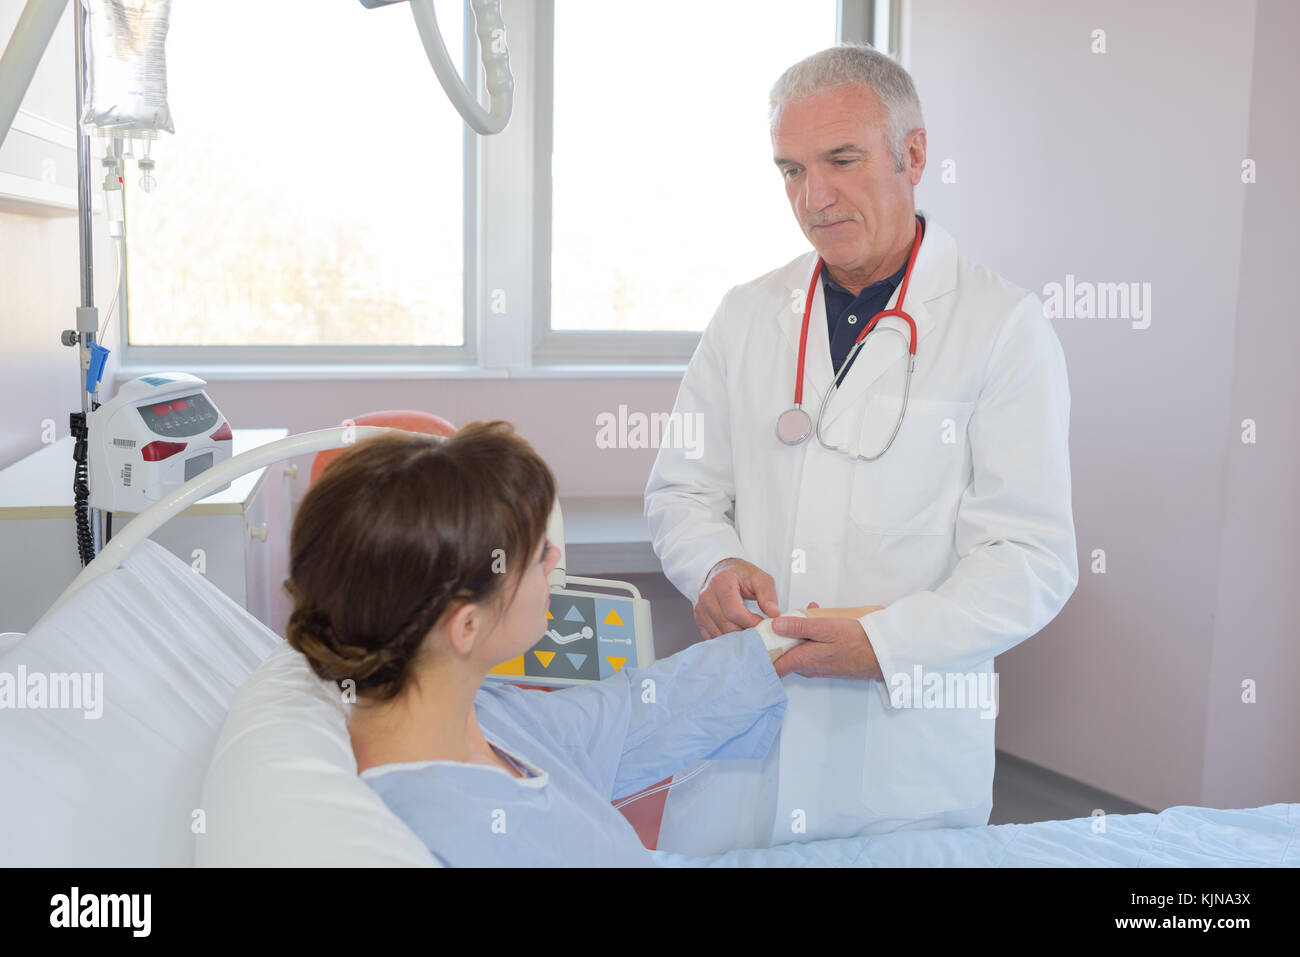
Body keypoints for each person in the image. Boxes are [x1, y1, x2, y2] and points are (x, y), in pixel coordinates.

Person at [645, 43, 1079, 855]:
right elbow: (681, 492)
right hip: (747, 726)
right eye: (791, 171)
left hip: (899, 748)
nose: (815, 197)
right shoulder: (747, 314)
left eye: (840, 161)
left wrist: (887, 644)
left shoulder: (1002, 327)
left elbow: (1031, 557)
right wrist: (711, 565)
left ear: (913, 154)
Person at [282, 421, 870, 866]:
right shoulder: (449, 828)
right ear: (464, 627)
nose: (556, 560)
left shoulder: (478, 715)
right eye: (537, 556)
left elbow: (631, 711)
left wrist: (790, 636)